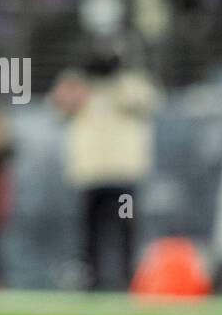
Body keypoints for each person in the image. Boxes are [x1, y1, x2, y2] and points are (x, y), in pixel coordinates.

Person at [51, 45, 159, 291]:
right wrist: (85, 81)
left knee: (125, 230)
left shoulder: (130, 82)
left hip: (123, 174)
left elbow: (147, 100)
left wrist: (117, 77)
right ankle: (92, 280)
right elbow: (60, 107)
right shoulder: (78, 83)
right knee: (90, 233)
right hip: (91, 175)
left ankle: (128, 281)